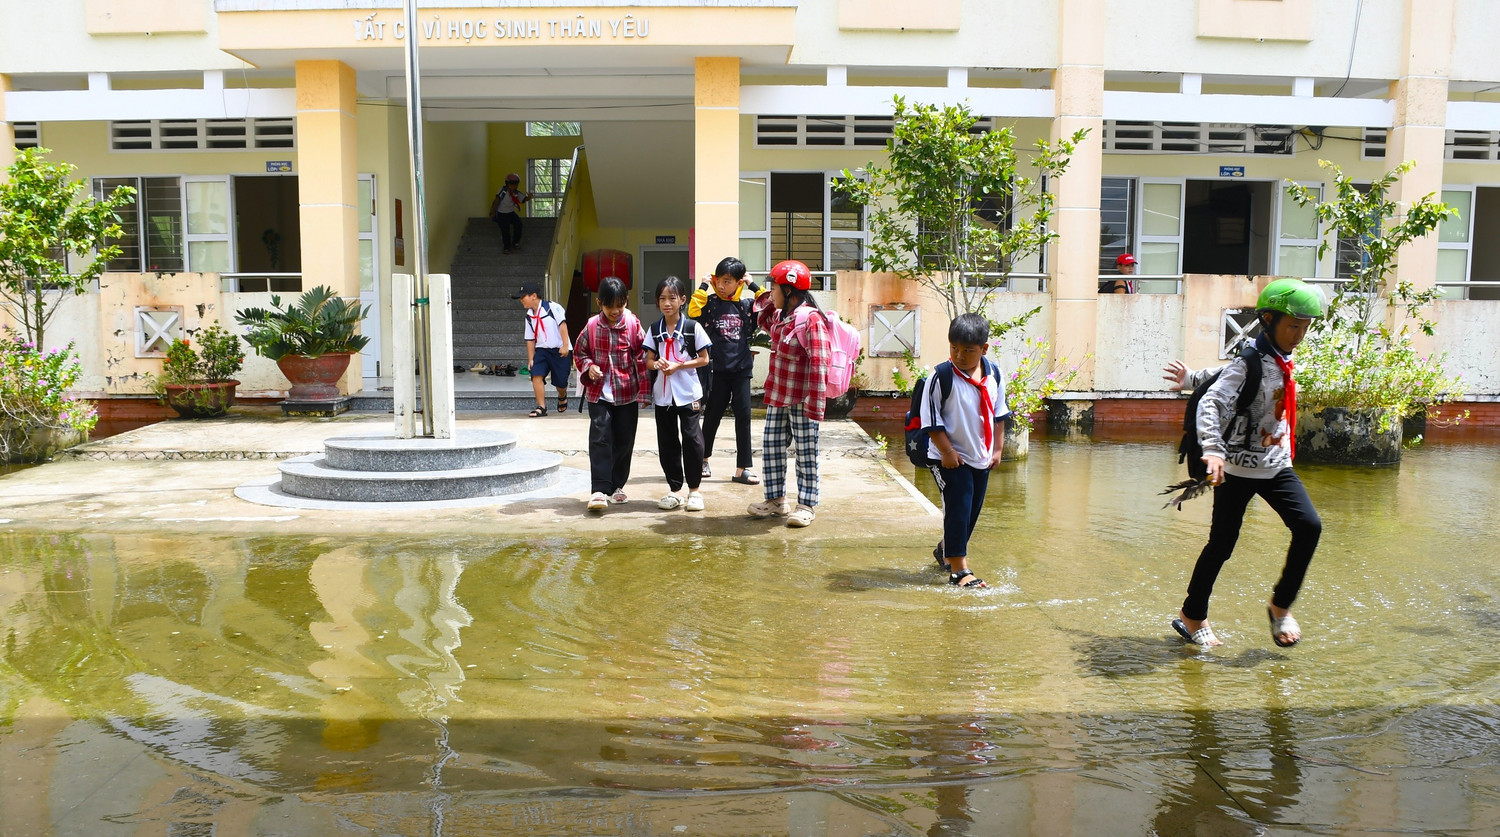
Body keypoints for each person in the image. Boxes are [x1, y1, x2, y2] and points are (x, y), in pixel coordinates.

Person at [1162, 277, 1325, 648]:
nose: (1299, 334)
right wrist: (1214, 449)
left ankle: (1280, 607)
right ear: (1269, 320)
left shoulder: (1280, 356)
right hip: (1236, 469)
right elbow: (1213, 401)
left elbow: (1219, 375)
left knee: (1309, 527)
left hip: (1276, 465)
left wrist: (1192, 377)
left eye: (1304, 327)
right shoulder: (1251, 360)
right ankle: (1192, 617)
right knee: (1222, 544)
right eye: (1292, 326)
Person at [920, 313, 1009, 590]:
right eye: (954, 348)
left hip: (980, 456)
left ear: (984, 349)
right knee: (958, 507)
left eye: (968, 350)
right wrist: (946, 451)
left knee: (972, 511)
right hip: (948, 457)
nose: (960, 355)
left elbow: (999, 415)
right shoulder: (941, 376)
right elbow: (930, 420)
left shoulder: (993, 373)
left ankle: (946, 549)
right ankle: (960, 571)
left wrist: (997, 450)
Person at [746, 259, 830, 529]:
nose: (771, 293)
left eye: (775, 288)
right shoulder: (781, 317)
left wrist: (816, 406)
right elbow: (762, 316)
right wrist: (757, 289)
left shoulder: (812, 320)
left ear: (790, 291)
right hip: (779, 396)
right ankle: (775, 500)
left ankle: (806, 504)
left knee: (806, 453)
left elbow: (820, 364)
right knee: (771, 448)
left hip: (803, 399)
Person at [573, 276, 651, 512]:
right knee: (600, 438)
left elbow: (642, 357)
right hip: (599, 394)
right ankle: (599, 489)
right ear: (599, 303)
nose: (616, 311)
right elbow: (579, 353)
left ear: (626, 302)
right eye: (610, 306)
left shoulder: (633, 324)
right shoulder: (592, 326)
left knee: (624, 439)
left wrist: (645, 392)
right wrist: (589, 366)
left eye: (620, 305)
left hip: (627, 392)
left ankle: (617, 486)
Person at [689, 256, 761, 485]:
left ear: (739, 282)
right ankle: (702, 460)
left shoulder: (747, 306)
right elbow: (692, 312)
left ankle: (742, 470)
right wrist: (702, 286)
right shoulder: (710, 303)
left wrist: (754, 286)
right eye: (719, 280)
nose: (721, 285)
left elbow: (771, 306)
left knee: (744, 418)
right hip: (716, 370)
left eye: (728, 281)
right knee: (711, 417)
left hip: (741, 370)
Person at [643, 275, 712, 512]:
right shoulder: (654, 329)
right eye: (662, 299)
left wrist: (678, 365)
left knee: (692, 440)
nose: (667, 303)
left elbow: (704, 359)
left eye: (672, 298)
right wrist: (659, 365)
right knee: (667, 442)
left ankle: (695, 491)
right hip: (663, 395)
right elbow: (648, 361)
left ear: (682, 299)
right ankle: (675, 490)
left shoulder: (693, 328)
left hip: (688, 392)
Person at [514, 282, 572, 417]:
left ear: (534, 296)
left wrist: (565, 345)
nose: (521, 300)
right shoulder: (529, 316)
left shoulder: (552, 307)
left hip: (559, 350)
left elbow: (562, 325)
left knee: (561, 383)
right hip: (542, 350)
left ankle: (562, 395)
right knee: (536, 375)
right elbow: (529, 339)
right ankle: (541, 407)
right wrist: (530, 359)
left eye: (523, 297)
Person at [489, 173, 532, 255]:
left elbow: (523, 199)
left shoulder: (516, 192)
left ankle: (515, 242)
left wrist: (529, 197)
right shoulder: (503, 191)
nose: (515, 186)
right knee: (505, 231)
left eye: (516, 185)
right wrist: (493, 213)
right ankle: (506, 248)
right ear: (508, 184)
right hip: (502, 214)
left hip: (511, 213)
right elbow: (496, 201)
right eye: (513, 185)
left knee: (518, 224)